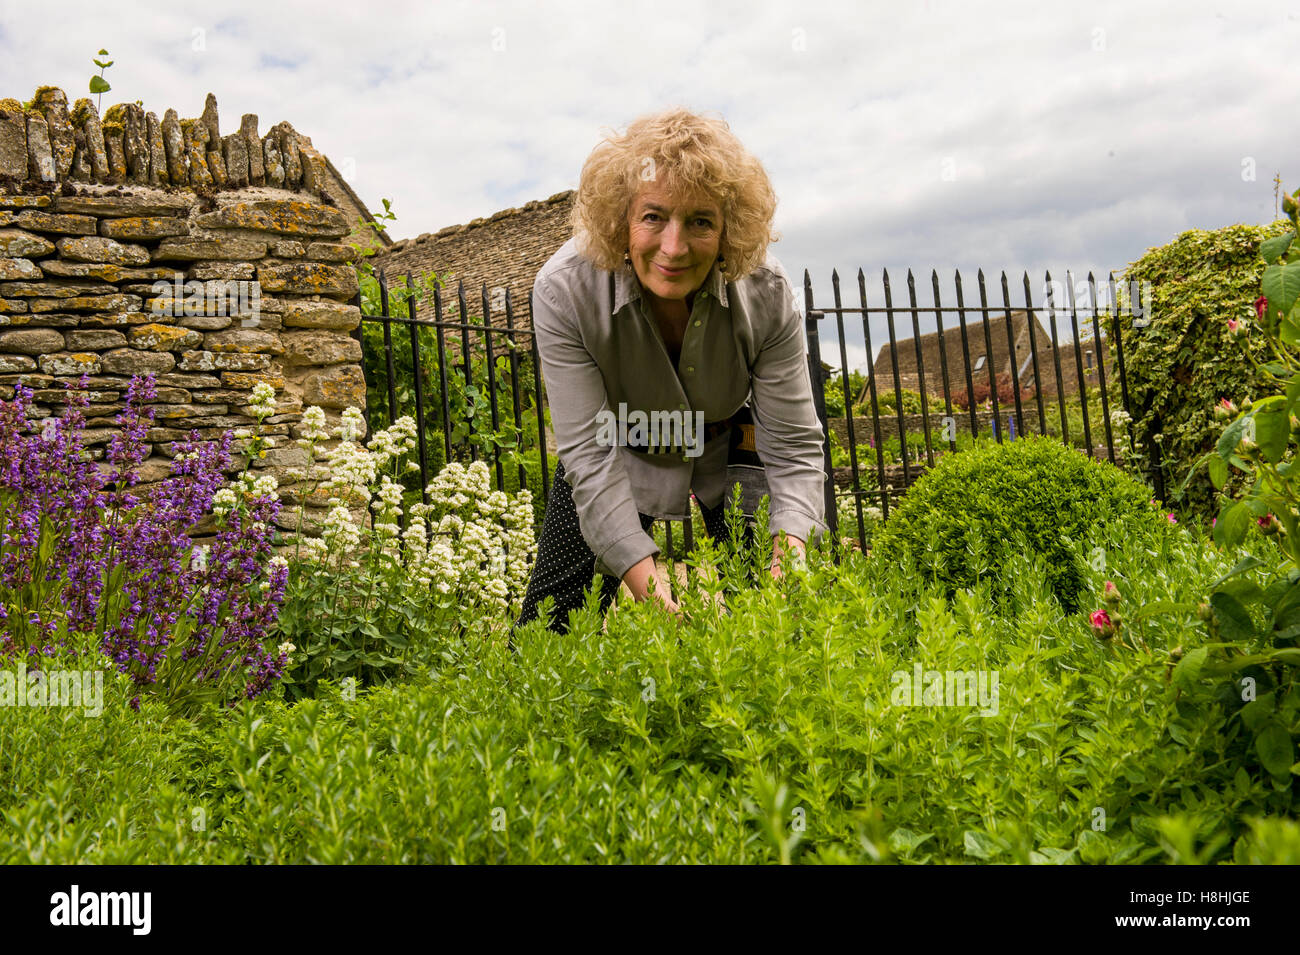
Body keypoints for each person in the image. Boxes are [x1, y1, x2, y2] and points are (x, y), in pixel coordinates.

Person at [512, 106, 827, 636]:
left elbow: (793, 446)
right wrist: (653, 591)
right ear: (621, 218)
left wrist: (789, 555)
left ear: (729, 231)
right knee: (550, 629)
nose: (674, 248)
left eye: (701, 221)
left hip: (730, 436)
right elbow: (587, 455)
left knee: (776, 625)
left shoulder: (767, 292)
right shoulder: (565, 290)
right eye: (654, 216)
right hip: (620, 439)